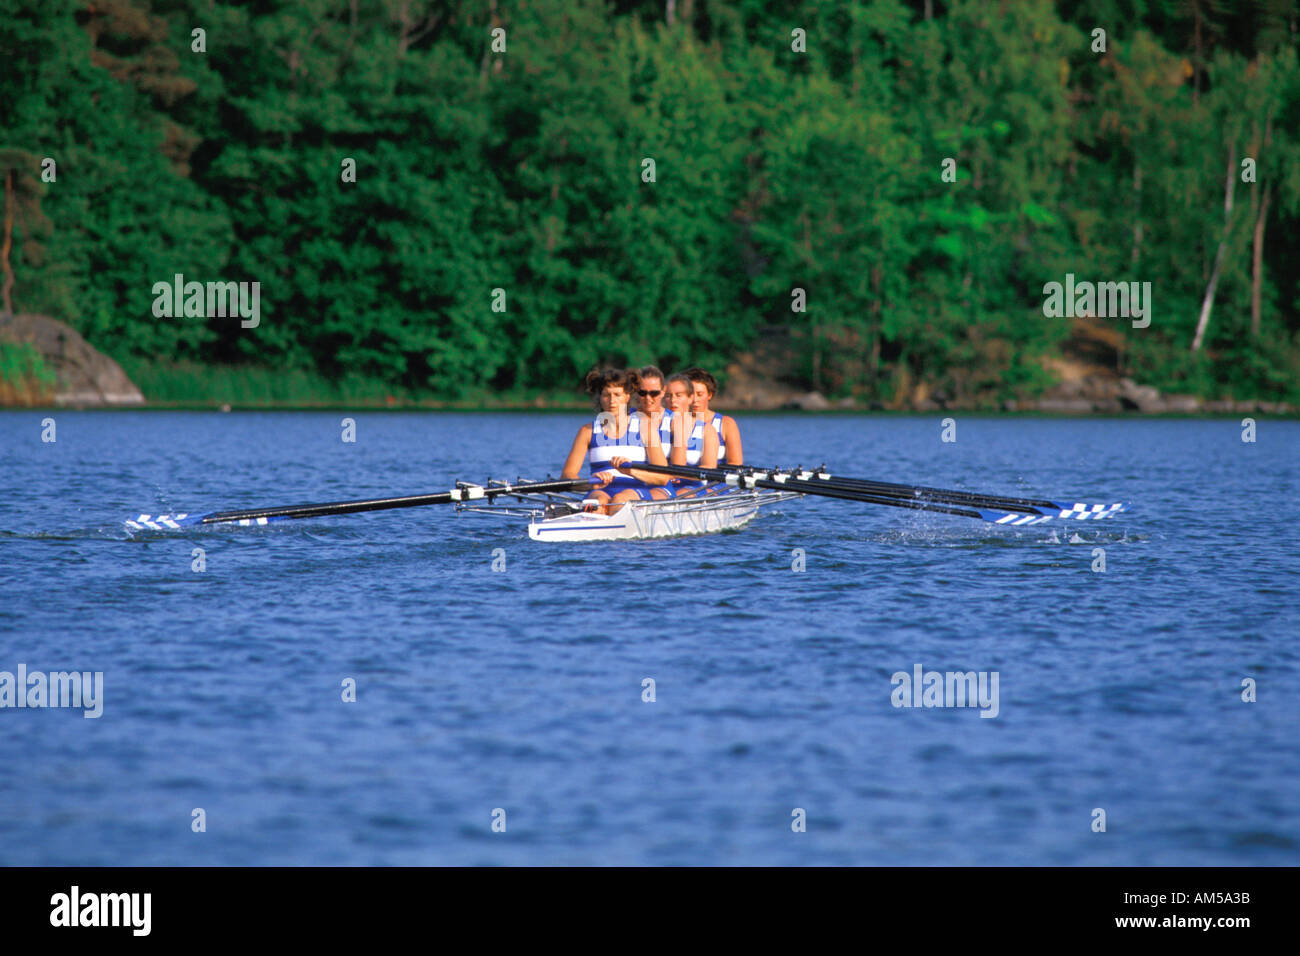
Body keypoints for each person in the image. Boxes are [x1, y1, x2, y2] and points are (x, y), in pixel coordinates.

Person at [560, 368, 668, 513]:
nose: (612, 401)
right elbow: (567, 476)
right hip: (600, 491)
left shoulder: (646, 429)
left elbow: (663, 478)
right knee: (597, 504)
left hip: (635, 490)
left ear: (627, 396)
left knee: (619, 501)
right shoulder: (587, 431)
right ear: (600, 397)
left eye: (617, 395)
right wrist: (590, 485)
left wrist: (631, 472)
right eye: (606, 395)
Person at [682, 367, 743, 464]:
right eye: (690, 394)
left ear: (709, 395)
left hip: (714, 478)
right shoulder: (674, 423)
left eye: (700, 394)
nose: (694, 400)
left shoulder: (727, 424)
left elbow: (736, 463)